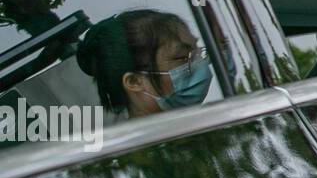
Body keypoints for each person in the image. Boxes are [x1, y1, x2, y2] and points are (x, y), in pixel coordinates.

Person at [77, 9, 214, 118]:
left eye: (197, 51)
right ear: (134, 81)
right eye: (182, 57)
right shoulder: (137, 151)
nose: (200, 62)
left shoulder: (205, 125)